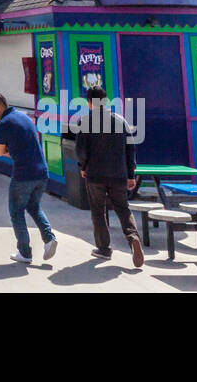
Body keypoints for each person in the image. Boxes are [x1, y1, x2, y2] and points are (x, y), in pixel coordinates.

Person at [76, 85, 144, 267]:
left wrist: (83, 167)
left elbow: (81, 150)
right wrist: (131, 174)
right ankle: (133, 238)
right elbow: (130, 149)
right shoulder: (121, 121)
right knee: (123, 208)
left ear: (89, 102)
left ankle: (104, 249)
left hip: (95, 175)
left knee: (98, 210)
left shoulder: (85, 121)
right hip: (119, 174)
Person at [0, 92, 57, 264]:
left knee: (16, 211)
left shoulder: (3, 123)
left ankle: (24, 252)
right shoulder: (23, 117)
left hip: (24, 175)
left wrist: (9, 150)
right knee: (33, 206)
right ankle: (49, 238)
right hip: (42, 173)